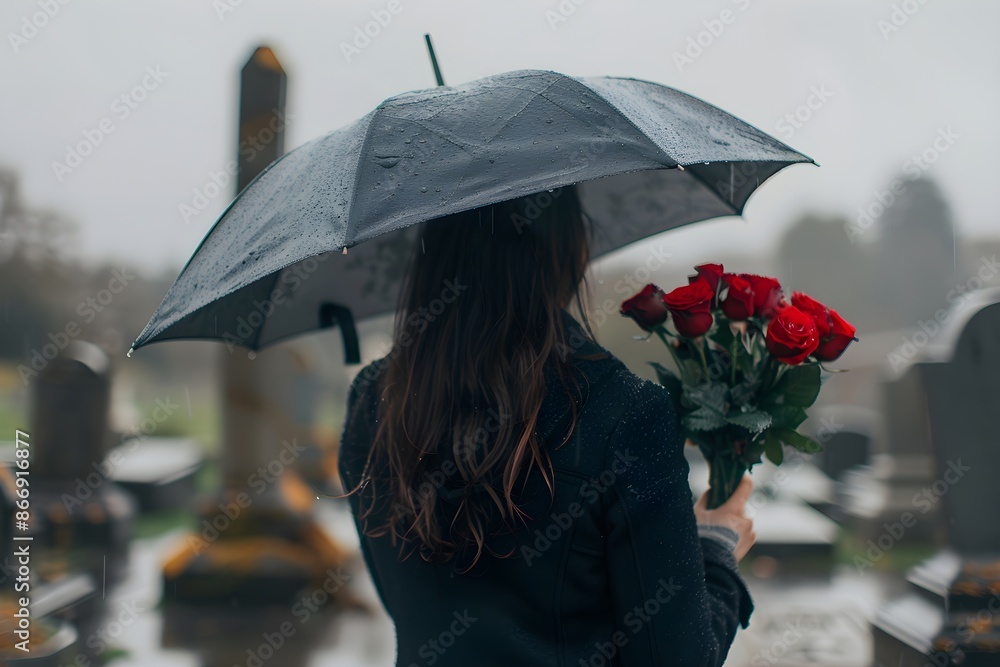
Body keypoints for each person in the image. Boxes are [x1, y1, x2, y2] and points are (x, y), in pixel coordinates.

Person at [338, 184, 756, 666]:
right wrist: (716, 553)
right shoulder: (627, 414)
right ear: (569, 249)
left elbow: (405, 601)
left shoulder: (373, 400)